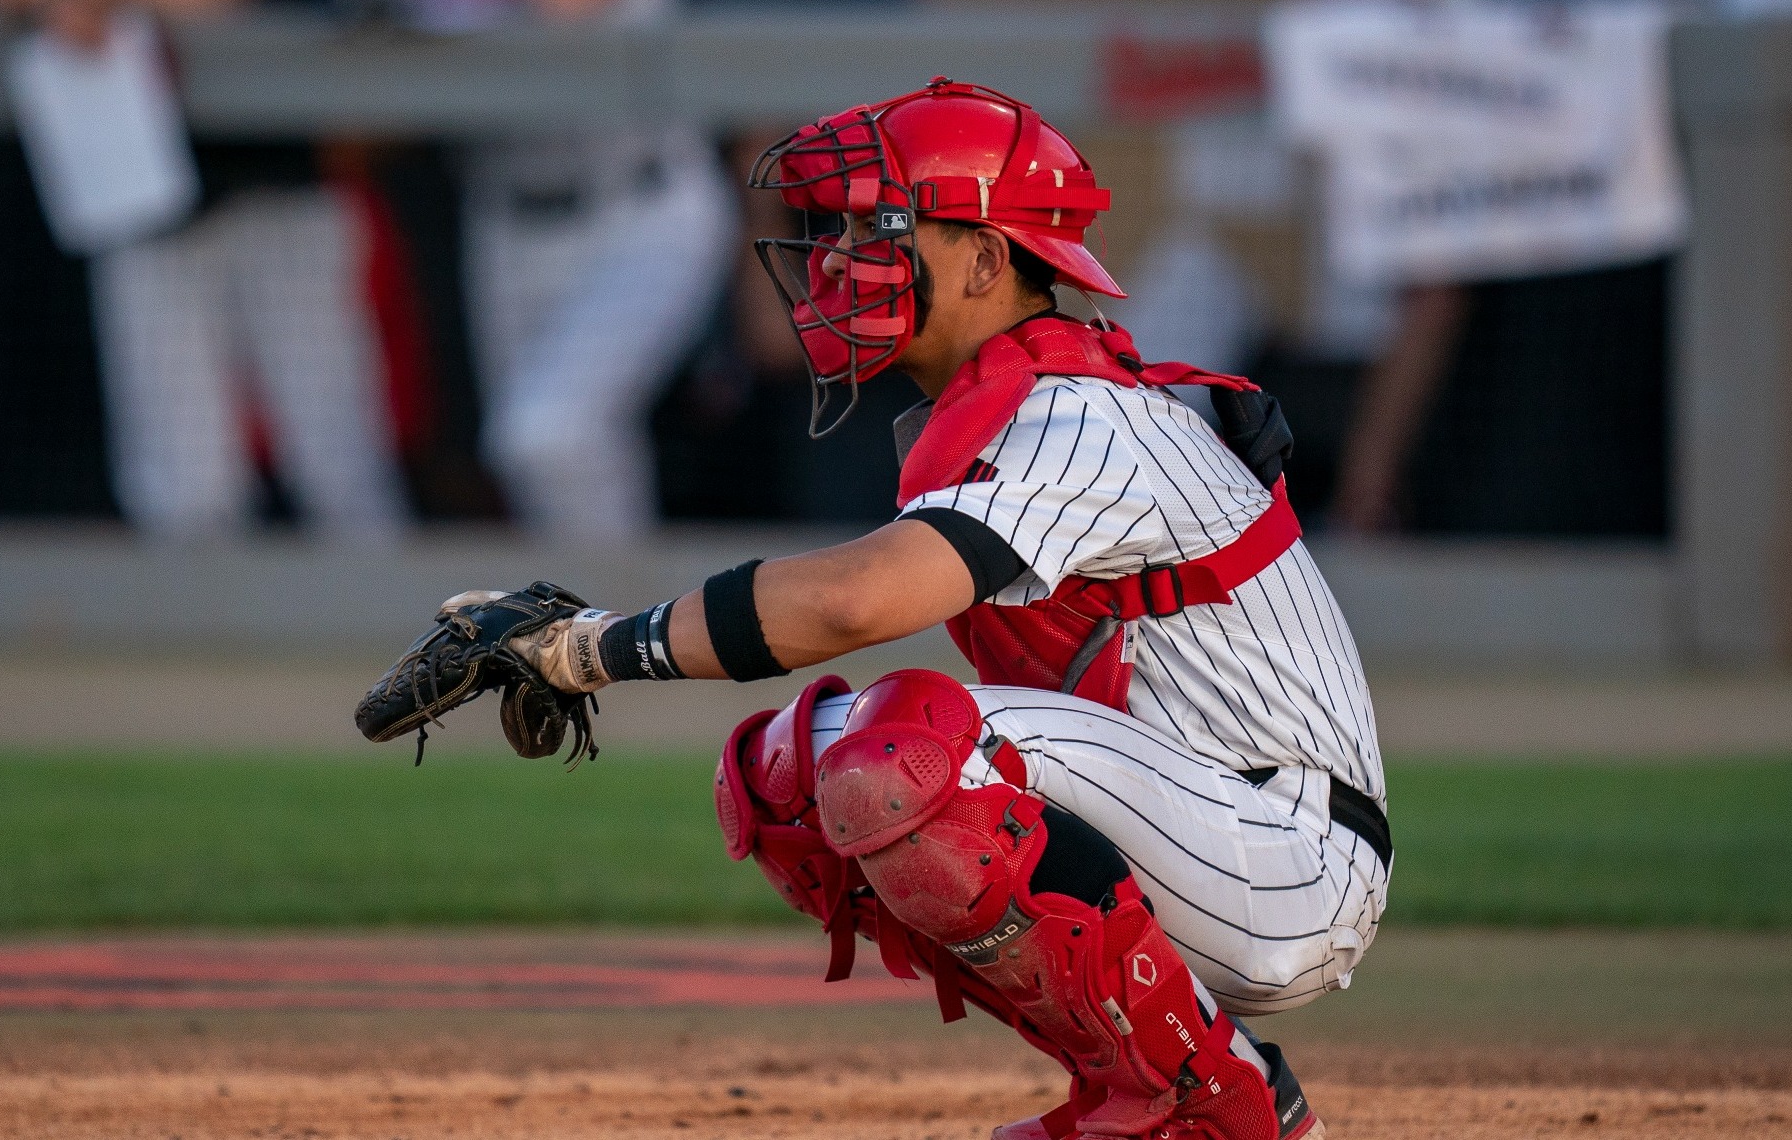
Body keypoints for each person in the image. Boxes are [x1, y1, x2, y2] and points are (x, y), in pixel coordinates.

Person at [398, 80, 1385, 1140]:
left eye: (886, 224)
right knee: (787, 774)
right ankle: (1144, 1075)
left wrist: (582, 648)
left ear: (985, 258)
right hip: (1188, 817)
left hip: (1284, 855)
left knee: (903, 753)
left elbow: (853, 601)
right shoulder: (1004, 401)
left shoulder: (1076, 412)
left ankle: (1211, 1105)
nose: (841, 254)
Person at [0, 0, 411, 540]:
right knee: (185, 486)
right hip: (141, 201)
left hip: (283, 190)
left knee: (339, 464)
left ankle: (395, 634)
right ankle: (209, 635)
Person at [322, 0, 735, 541]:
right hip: (504, 211)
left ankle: (621, 630)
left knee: (547, 437)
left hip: (642, 203)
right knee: (551, 471)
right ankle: (622, 627)